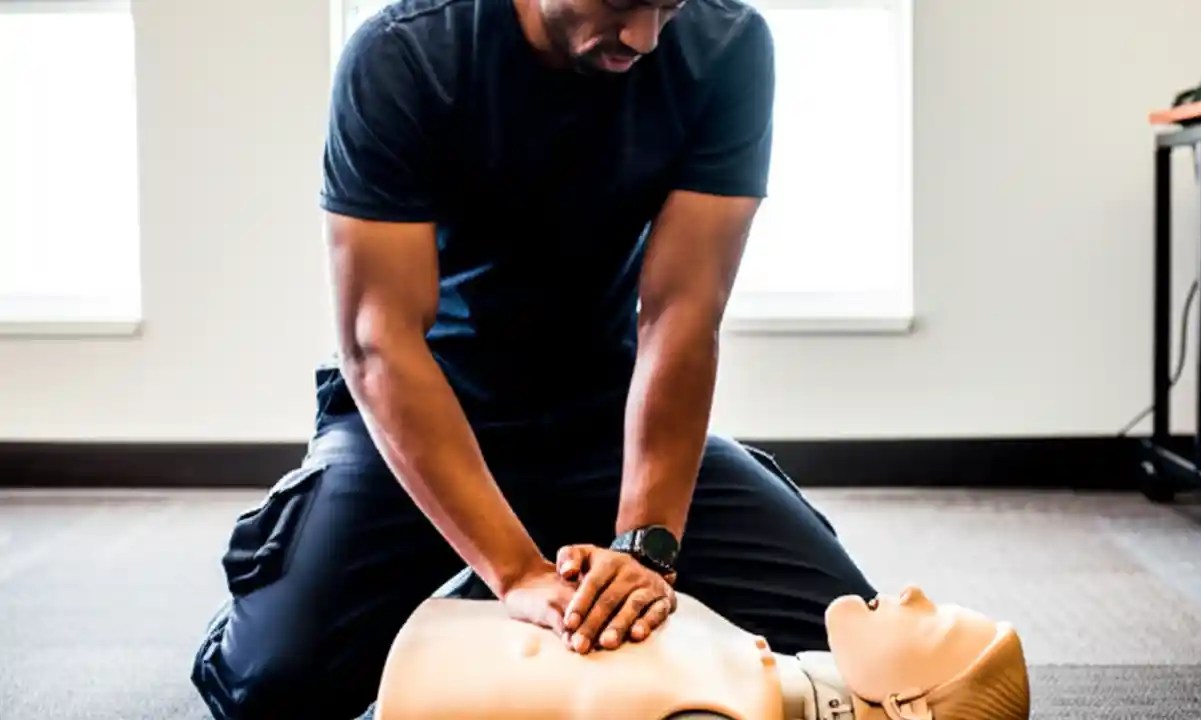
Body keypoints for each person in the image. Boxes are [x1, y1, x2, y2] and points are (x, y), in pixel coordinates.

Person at [190, 0, 877, 717]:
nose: (645, 37)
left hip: (605, 419)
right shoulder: (405, 55)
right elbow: (379, 344)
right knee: (269, 683)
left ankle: (530, 570)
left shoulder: (727, 44)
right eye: (622, 3)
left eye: (667, 7)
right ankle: (447, 576)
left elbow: (680, 313)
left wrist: (645, 550)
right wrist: (515, 573)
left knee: (851, 643)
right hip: (423, 420)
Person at [371, 582, 1031, 720]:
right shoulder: (761, 672)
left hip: (421, 693)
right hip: (447, 637)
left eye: (936, 624)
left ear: (908, 705)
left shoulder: (743, 703)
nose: (915, 594)